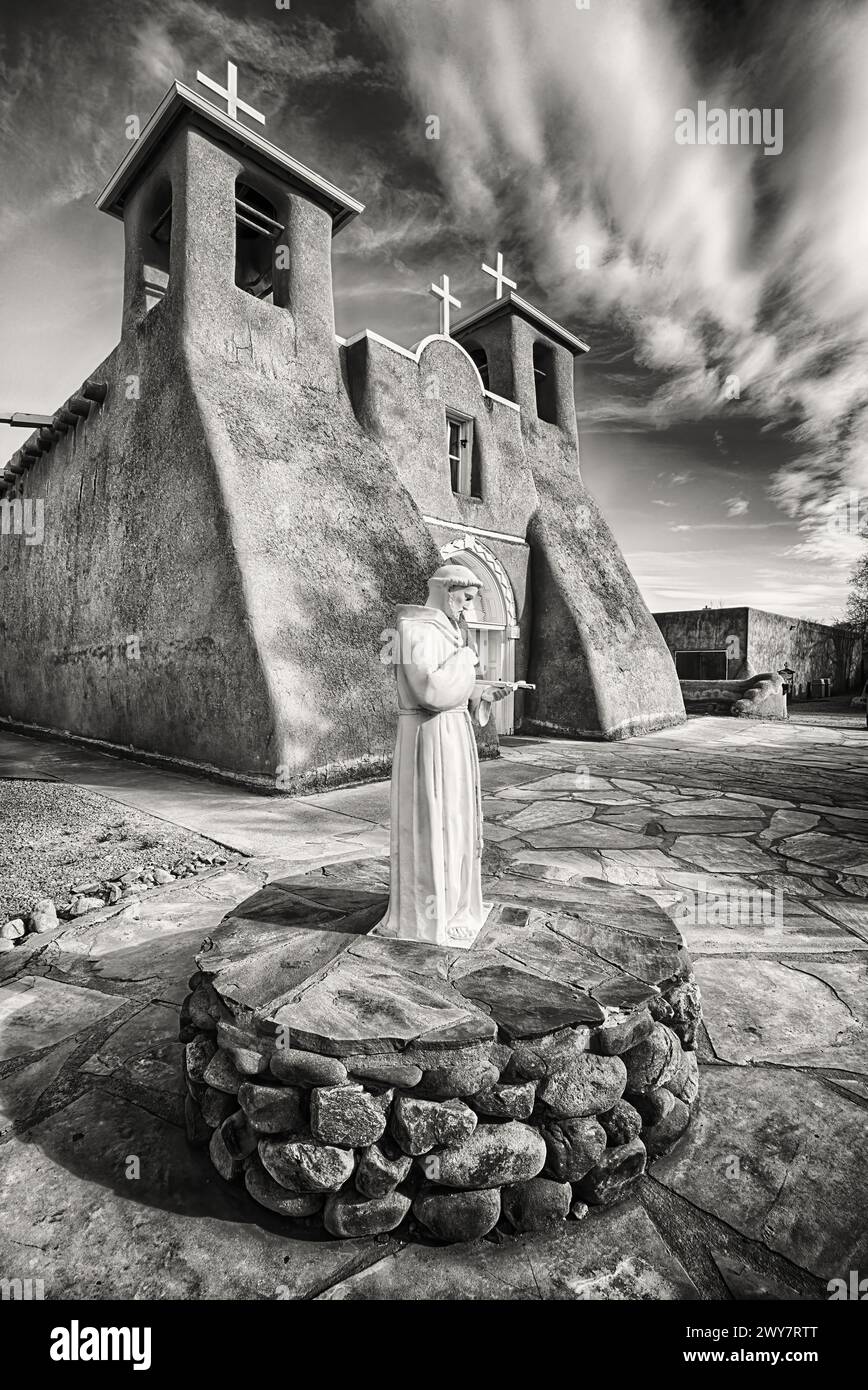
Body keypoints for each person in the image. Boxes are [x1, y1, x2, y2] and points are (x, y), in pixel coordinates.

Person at [380, 563, 511, 947]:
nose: (467, 609)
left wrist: (483, 693)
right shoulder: (413, 629)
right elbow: (431, 692)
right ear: (444, 590)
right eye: (465, 599)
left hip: (451, 736)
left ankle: (454, 907)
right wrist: (467, 661)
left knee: (454, 820)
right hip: (427, 738)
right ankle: (425, 918)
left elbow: (453, 694)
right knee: (432, 821)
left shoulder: (448, 633)